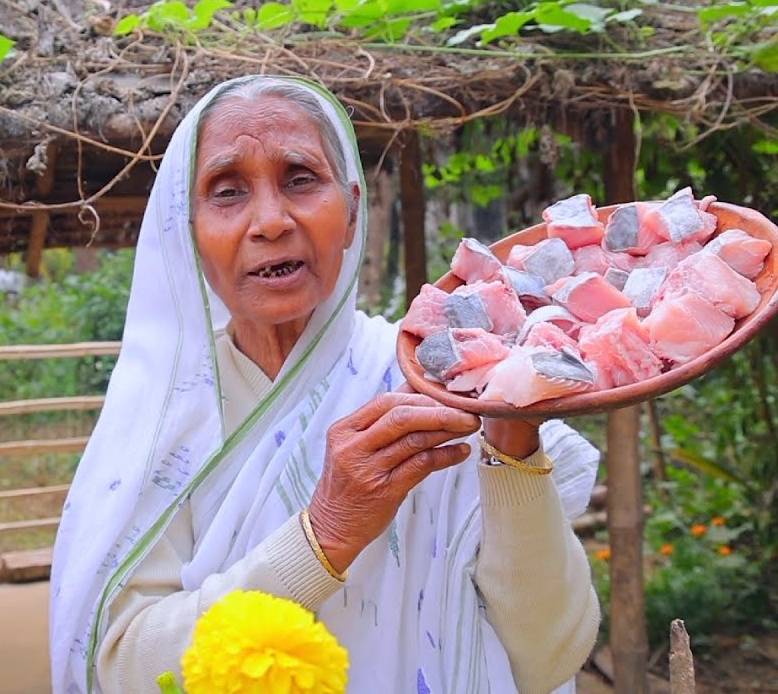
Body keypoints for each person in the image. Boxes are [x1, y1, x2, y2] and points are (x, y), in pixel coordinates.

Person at [49, 76, 601, 694]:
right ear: (188, 231)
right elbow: (119, 669)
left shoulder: (441, 383)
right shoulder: (161, 422)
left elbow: (548, 658)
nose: (271, 221)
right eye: (227, 192)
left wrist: (510, 436)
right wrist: (326, 535)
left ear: (352, 212)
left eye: (300, 179)